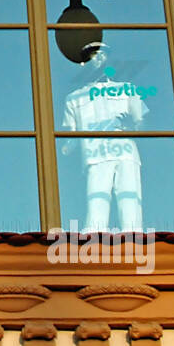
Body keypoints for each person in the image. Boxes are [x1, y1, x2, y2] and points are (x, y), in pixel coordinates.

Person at [60, 42, 148, 232]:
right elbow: (70, 135)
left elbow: (140, 123)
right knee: (97, 197)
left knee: (130, 197)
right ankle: (95, 234)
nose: (99, 58)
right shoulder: (75, 98)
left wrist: (131, 126)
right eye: (93, 55)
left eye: (102, 54)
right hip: (95, 154)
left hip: (125, 152)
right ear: (85, 62)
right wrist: (63, 150)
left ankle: (133, 233)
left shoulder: (128, 89)